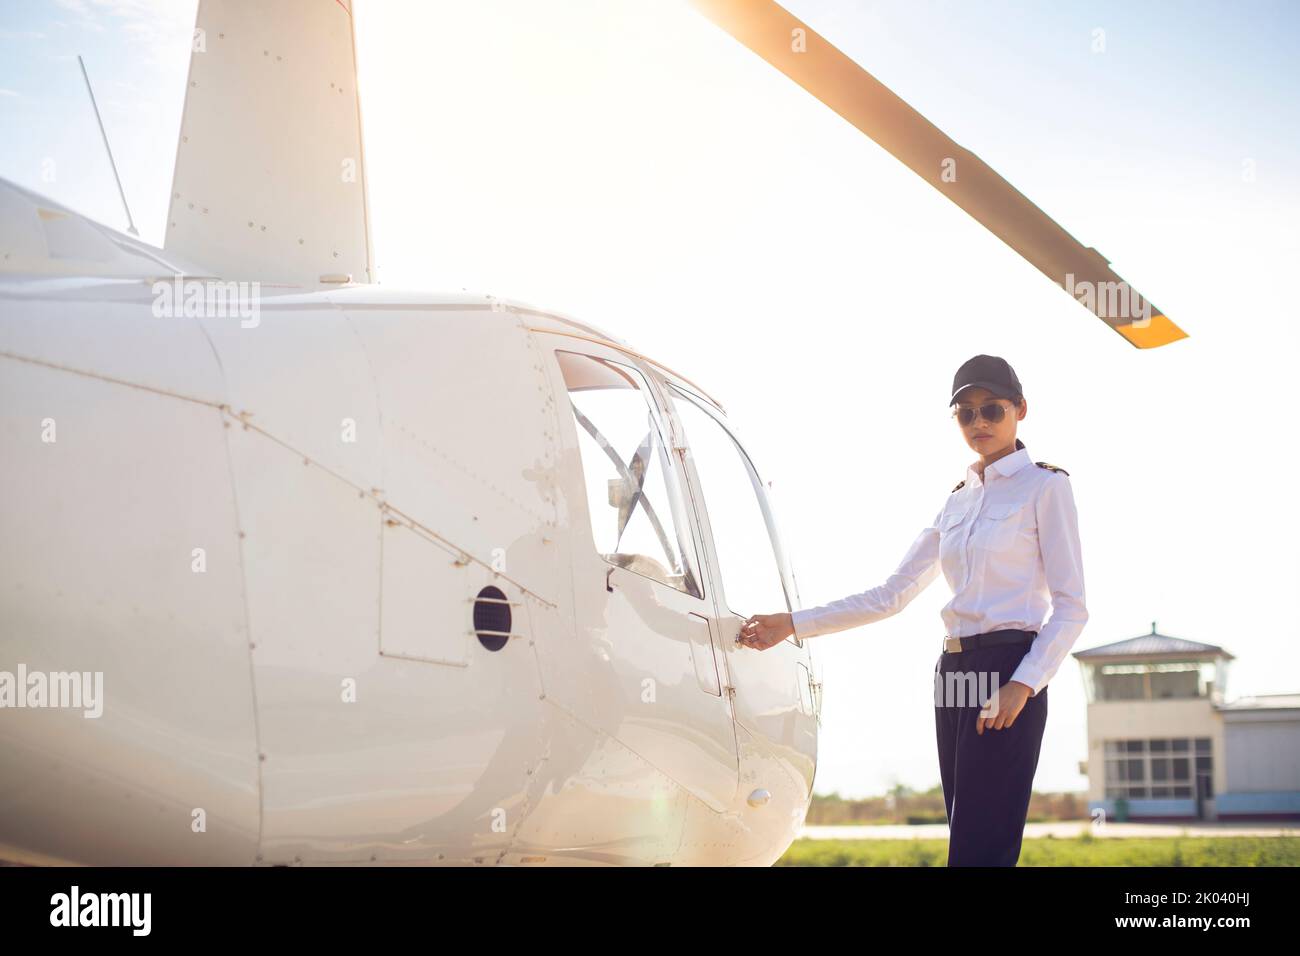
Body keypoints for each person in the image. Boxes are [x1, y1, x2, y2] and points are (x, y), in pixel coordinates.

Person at [738, 354, 1088, 866]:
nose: (979, 423)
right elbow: (890, 595)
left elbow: (1072, 606)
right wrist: (791, 624)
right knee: (964, 831)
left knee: (983, 842)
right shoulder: (955, 502)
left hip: (1008, 667)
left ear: (1020, 410)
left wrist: (1025, 682)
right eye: (966, 414)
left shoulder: (1047, 486)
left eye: (991, 409)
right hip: (952, 671)